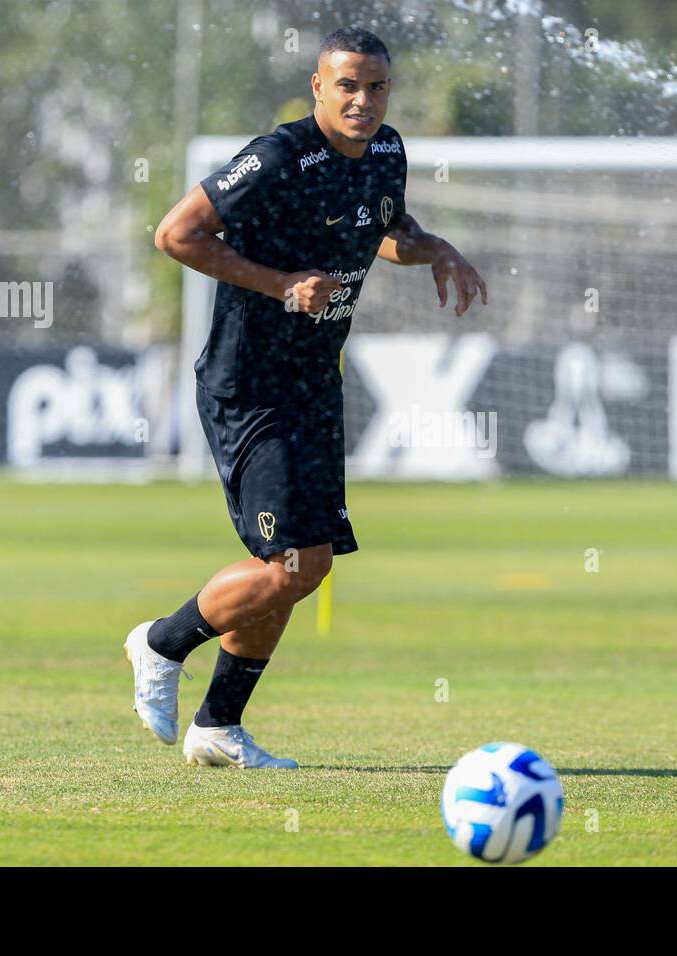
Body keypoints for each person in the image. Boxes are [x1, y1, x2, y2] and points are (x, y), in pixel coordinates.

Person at [125, 26, 487, 768]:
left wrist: (436, 250)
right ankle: (160, 643)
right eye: (347, 85)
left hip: (316, 382)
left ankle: (219, 726)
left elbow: (390, 229)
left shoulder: (386, 152)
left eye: (376, 86)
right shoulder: (280, 157)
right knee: (294, 564)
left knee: (299, 566)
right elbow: (176, 233)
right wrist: (282, 284)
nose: (362, 100)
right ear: (318, 86)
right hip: (251, 384)